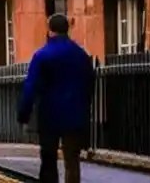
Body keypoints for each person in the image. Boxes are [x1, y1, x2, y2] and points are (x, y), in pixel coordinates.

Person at [18, 13, 95, 183]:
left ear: (50, 31)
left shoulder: (42, 55)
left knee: (48, 160)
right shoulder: (81, 55)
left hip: (49, 115)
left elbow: (31, 86)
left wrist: (24, 112)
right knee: (72, 161)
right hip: (75, 114)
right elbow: (90, 83)